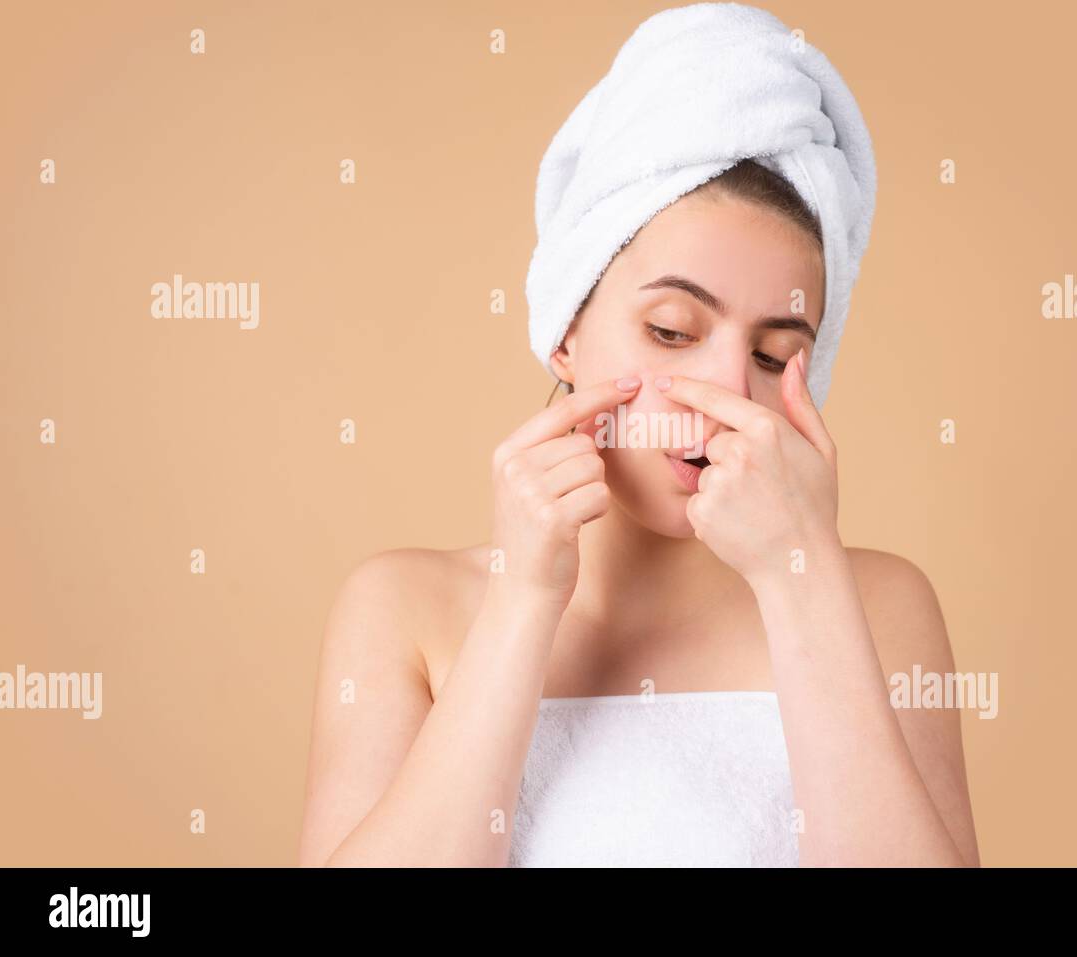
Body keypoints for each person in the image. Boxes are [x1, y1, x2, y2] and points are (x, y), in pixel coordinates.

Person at [298, 3, 979, 868]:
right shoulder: (405, 608)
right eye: (671, 329)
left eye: (775, 355)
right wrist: (521, 605)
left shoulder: (879, 610)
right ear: (565, 330)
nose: (728, 391)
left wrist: (800, 582)